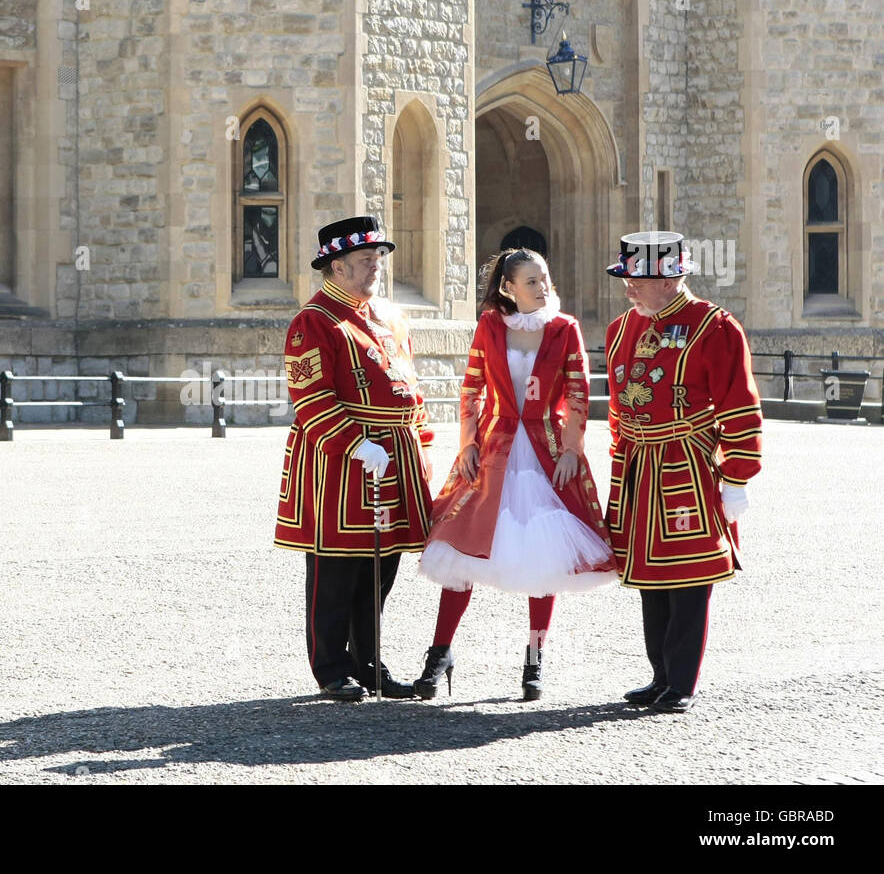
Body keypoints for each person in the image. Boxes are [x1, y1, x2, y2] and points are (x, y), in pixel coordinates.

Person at [414, 248, 617, 701]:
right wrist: (466, 442)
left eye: (545, 278)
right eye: (531, 281)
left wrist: (571, 448)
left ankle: (534, 658)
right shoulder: (490, 326)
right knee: (461, 550)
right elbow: (471, 387)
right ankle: (440, 653)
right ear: (508, 287)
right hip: (494, 447)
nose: (542, 287)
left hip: (546, 451)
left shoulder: (564, 329)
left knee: (544, 555)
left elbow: (579, 391)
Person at [274, 216, 435, 701]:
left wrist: (422, 446)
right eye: (366, 261)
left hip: (394, 458)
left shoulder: (388, 317)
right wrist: (355, 444)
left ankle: (369, 662)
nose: (375, 269)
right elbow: (310, 396)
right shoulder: (315, 320)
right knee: (336, 570)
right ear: (336, 267)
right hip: (341, 465)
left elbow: (411, 386)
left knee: (381, 569)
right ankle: (330, 668)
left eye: (378, 260)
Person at [604, 231, 762, 714]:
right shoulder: (621, 328)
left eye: (636, 279)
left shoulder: (714, 327)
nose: (628, 287)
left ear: (669, 279)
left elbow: (739, 402)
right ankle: (659, 676)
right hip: (638, 464)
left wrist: (737, 475)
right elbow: (617, 404)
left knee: (689, 578)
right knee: (650, 576)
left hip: (685, 467)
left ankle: (682, 682)